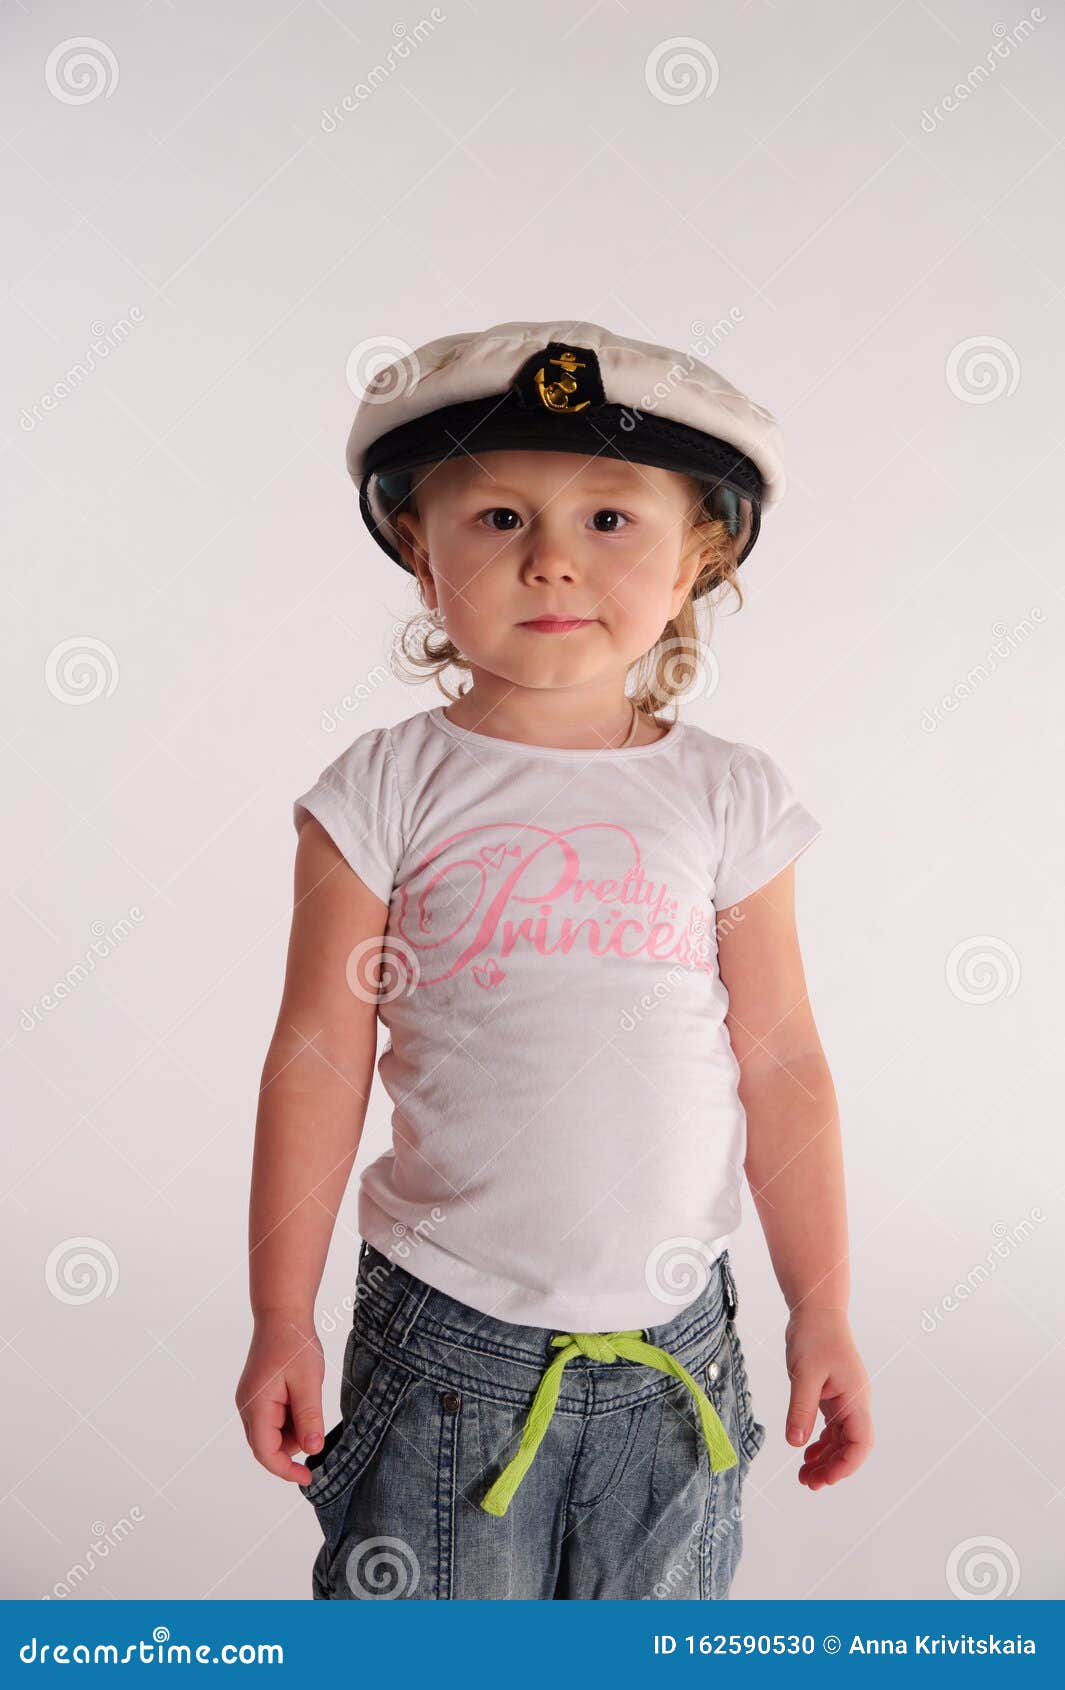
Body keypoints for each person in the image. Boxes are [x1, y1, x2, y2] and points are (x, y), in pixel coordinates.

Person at [235, 321, 874, 1600]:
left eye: (611, 521)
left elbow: (785, 1058)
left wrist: (824, 1305)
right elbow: (318, 1047)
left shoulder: (728, 796)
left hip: (676, 1362)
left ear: (700, 556)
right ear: (422, 553)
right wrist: (281, 1314)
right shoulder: (383, 788)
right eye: (499, 519)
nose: (551, 563)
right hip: (445, 1351)